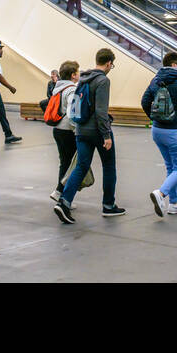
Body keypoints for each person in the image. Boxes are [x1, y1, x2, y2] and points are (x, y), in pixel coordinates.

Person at [54, 48, 123, 222]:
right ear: (108, 63)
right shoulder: (102, 81)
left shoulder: (83, 78)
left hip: (81, 129)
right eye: (111, 65)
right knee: (109, 166)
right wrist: (106, 135)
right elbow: (101, 111)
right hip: (98, 131)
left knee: (81, 166)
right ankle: (108, 205)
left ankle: (64, 202)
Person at [143, 50, 177, 217]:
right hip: (175, 130)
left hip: (157, 131)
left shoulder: (155, 79)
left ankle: (174, 204)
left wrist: (153, 119)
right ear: (174, 65)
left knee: (171, 167)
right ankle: (161, 194)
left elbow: (144, 101)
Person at [47, 61, 81, 204]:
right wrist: (77, 128)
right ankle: (61, 194)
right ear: (73, 75)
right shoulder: (73, 90)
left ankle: (60, 193)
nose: (80, 74)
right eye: (78, 72)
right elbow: (73, 113)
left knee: (65, 163)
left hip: (58, 129)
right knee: (74, 165)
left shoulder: (58, 88)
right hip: (68, 131)